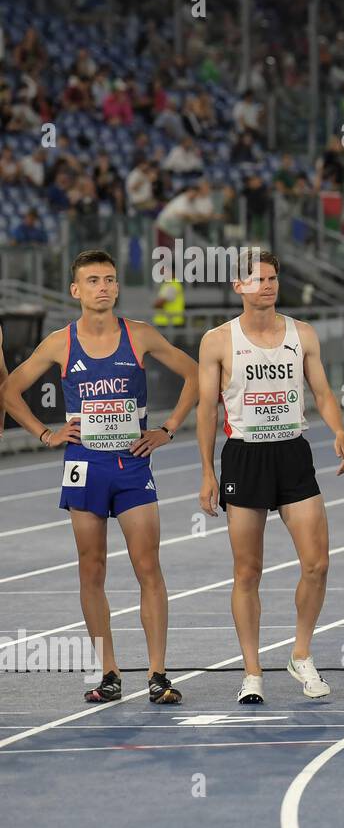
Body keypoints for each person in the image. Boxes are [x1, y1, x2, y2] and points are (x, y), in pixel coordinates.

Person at [1, 249, 198, 703]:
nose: (103, 287)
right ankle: (109, 673)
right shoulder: (60, 342)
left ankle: (158, 674)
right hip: (85, 464)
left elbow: (195, 375)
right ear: (76, 290)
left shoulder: (140, 335)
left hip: (132, 465)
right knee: (91, 570)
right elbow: (9, 391)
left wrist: (167, 429)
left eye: (109, 279)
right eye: (92, 281)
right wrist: (44, 434)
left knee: (148, 567)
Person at [196, 248, 344, 704]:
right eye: (256, 279)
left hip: (292, 453)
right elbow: (207, 410)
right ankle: (252, 671)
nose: (266, 285)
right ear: (238, 287)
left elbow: (322, 391)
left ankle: (300, 653)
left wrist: (338, 429)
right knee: (248, 571)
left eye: (272, 278)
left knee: (317, 563)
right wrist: (207, 470)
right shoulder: (218, 341)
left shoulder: (302, 334)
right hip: (244, 456)